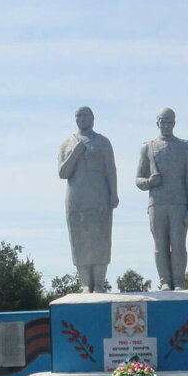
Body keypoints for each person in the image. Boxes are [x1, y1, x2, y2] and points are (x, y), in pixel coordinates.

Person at [135, 107, 188, 290]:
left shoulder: (185, 146)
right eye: (163, 122)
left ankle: (178, 281)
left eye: (170, 122)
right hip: (157, 203)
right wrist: (149, 182)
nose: (166, 125)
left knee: (178, 244)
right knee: (160, 244)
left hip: (179, 203)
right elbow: (138, 179)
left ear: (175, 123)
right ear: (157, 123)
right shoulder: (148, 146)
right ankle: (164, 281)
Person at [58, 106, 118, 293]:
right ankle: (86, 284)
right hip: (77, 199)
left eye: (86, 115)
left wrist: (113, 193)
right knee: (80, 240)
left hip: (99, 197)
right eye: (79, 115)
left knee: (100, 238)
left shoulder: (103, 142)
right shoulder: (67, 143)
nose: (82, 118)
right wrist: (75, 152)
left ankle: (99, 283)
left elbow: (110, 170)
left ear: (93, 118)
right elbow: (62, 172)